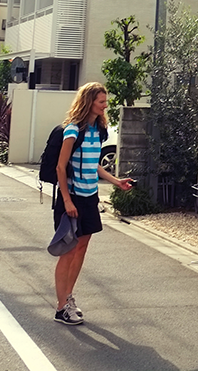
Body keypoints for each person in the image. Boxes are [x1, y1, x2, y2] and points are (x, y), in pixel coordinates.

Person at [52, 82, 134, 325]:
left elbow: (93, 164)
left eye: (105, 101)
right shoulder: (72, 131)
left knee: (82, 247)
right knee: (68, 251)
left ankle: (68, 297)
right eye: (101, 101)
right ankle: (60, 307)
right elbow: (60, 166)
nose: (105, 105)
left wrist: (116, 181)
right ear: (89, 101)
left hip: (90, 197)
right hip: (72, 198)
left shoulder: (98, 130)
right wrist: (66, 200)